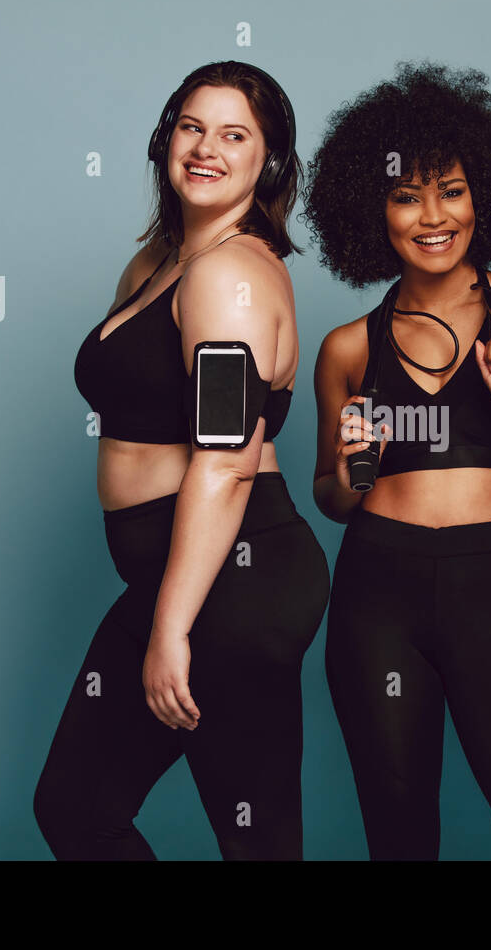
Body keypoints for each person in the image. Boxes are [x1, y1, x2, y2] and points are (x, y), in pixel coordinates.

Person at [34, 61, 330, 860]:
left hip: (235, 580)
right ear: (167, 137)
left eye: (234, 135)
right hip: (182, 576)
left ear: (266, 161)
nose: (206, 148)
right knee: (76, 807)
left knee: (255, 839)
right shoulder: (161, 263)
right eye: (191, 127)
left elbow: (226, 462)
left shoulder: (231, 277)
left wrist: (171, 625)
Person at [304, 61, 491, 859]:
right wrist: (355, 469)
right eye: (405, 196)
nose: (433, 216)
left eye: (452, 190)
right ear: (373, 211)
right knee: (400, 842)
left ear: (484, 197)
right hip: (375, 597)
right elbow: (331, 497)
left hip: (489, 586)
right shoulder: (346, 349)